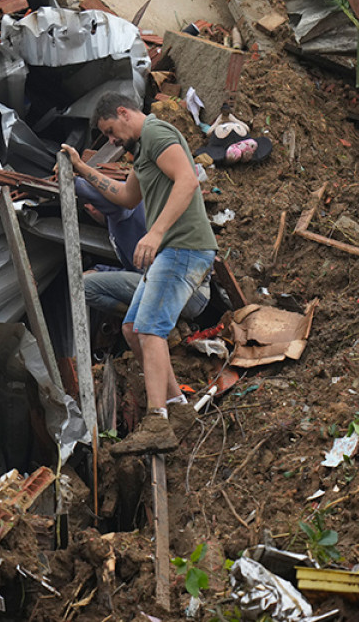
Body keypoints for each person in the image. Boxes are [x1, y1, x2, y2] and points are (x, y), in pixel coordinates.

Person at [60, 93, 218, 455]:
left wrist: (157, 231)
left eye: (111, 132)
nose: (112, 141)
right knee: (133, 329)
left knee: (149, 329)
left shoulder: (159, 134)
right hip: (170, 251)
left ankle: (157, 419)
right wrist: (82, 170)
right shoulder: (142, 152)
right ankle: (178, 408)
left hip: (183, 247)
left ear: (123, 113)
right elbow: (126, 197)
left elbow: (188, 181)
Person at [77, 177, 211, 323]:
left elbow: (120, 203)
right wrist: (100, 270)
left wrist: (74, 180)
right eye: (85, 207)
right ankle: (153, 321)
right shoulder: (115, 226)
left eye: (94, 203)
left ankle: (148, 320)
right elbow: (137, 272)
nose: (90, 208)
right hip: (179, 290)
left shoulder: (128, 206)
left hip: (186, 291)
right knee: (126, 326)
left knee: (84, 286)